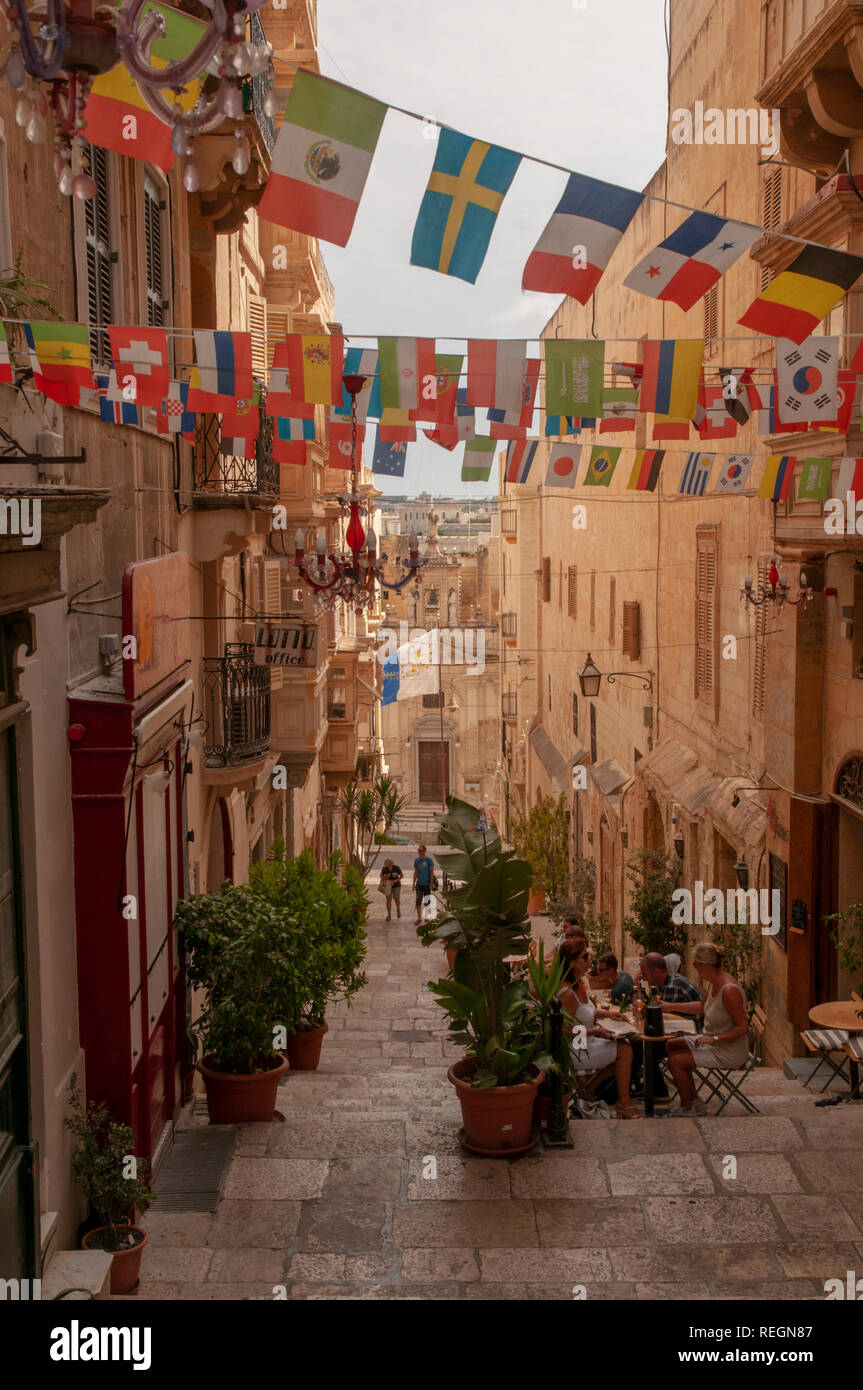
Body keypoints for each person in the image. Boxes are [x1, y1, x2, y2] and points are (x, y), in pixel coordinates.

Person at [663, 942, 750, 1118]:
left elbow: (743, 1028)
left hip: (727, 1049)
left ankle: (687, 1108)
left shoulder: (728, 991)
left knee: (676, 1061)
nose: (694, 968)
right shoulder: (713, 983)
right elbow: (701, 1007)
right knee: (671, 1045)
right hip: (712, 1041)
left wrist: (714, 1039)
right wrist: (669, 1006)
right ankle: (694, 1100)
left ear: (703, 965)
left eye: (695, 964)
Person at [556, 936, 639, 1119]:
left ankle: (589, 1089)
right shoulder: (567, 993)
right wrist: (596, 1031)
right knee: (624, 1050)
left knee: (624, 1048)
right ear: (571, 962)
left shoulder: (580, 984)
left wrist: (607, 1015)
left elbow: (585, 1014)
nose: (589, 961)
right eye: (585, 958)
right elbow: (563, 1033)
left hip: (587, 1041)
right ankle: (624, 1104)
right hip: (576, 1048)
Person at [630, 951, 702, 1102]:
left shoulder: (673, 986)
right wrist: (638, 987)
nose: (643, 976)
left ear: (656, 971)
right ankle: (653, 1088)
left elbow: (658, 1018)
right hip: (680, 1028)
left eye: (645, 973)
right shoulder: (665, 983)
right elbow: (652, 1008)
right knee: (642, 1045)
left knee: (646, 1047)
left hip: (692, 1034)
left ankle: (658, 1091)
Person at [412, 844, 436, 924]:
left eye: (420, 850)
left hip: (427, 884)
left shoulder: (429, 860)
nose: (418, 852)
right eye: (418, 850)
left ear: (424, 851)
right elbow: (416, 872)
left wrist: (431, 883)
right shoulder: (416, 861)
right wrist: (413, 883)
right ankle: (419, 918)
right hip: (419, 884)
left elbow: (432, 872)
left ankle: (426, 917)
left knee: (427, 901)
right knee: (418, 900)